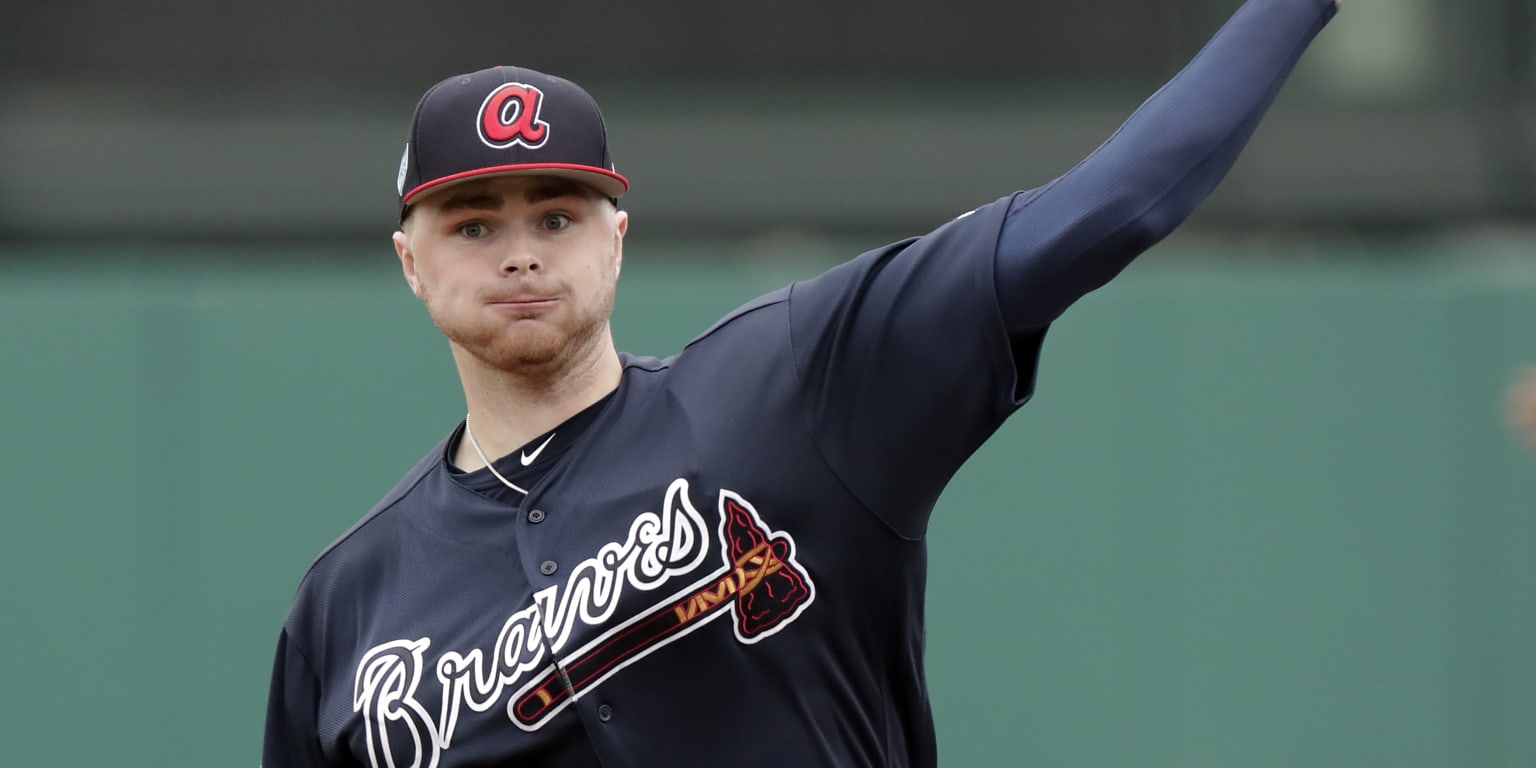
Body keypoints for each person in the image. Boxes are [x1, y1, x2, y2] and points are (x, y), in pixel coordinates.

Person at [262, 0, 1340, 765]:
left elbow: (1114, 205)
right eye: (473, 222)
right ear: (411, 260)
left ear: (618, 239)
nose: (522, 251)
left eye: (557, 214)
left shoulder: (793, 389)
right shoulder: (347, 609)